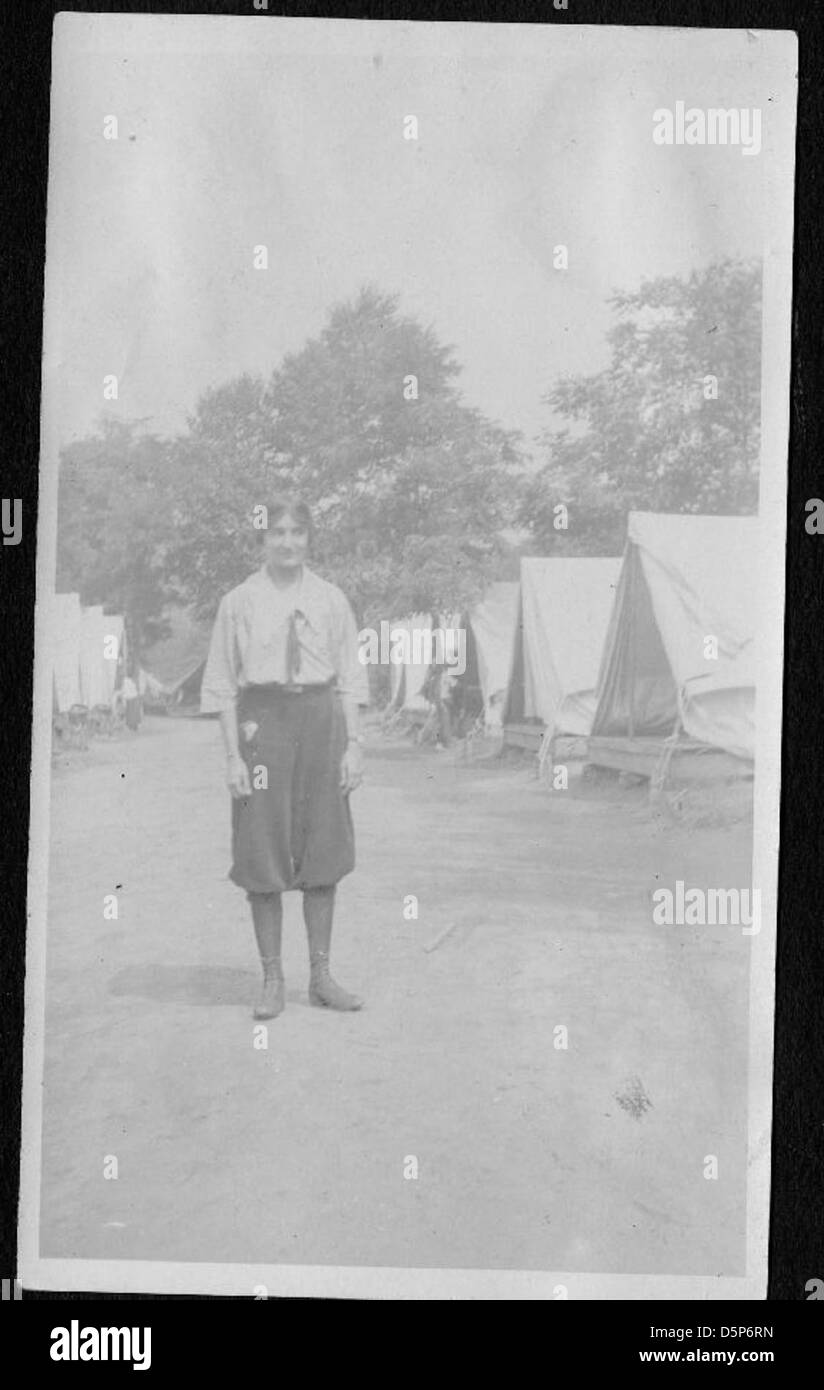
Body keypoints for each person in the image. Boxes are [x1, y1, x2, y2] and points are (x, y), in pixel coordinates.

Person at [200, 496, 369, 1021]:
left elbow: (350, 678)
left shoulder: (332, 599)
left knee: (323, 847)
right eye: (277, 532)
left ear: (309, 538)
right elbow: (224, 685)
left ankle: (321, 976)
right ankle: (272, 977)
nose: (288, 541)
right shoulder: (239, 602)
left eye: (297, 531)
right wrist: (232, 758)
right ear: (261, 540)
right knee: (263, 849)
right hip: (264, 725)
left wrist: (354, 745)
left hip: (321, 724)